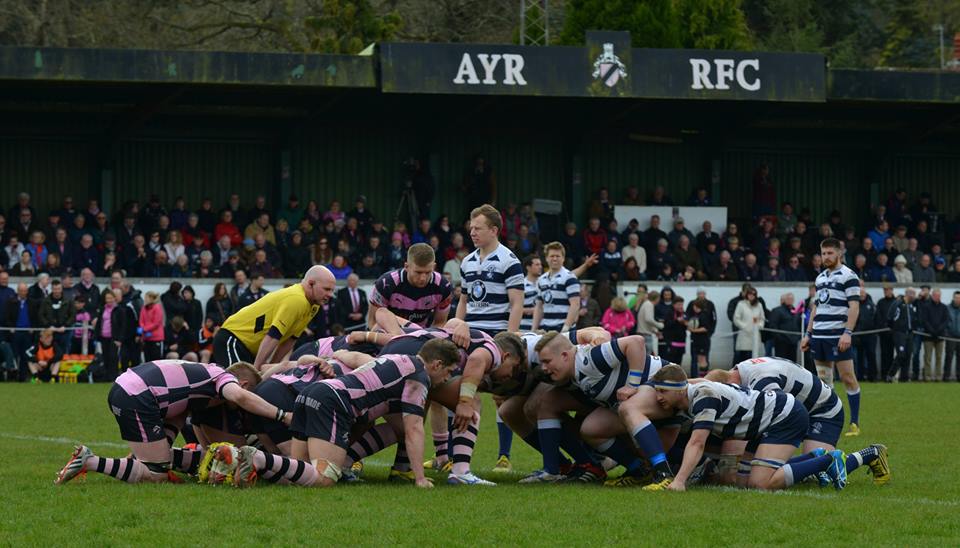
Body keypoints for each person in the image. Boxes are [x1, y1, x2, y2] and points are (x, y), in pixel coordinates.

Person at [54, 361, 291, 485]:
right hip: (138, 395)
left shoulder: (200, 382)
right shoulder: (223, 377)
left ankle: (131, 462)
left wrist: (161, 448)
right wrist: (283, 415)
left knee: (158, 463)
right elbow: (239, 396)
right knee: (156, 474)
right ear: (245, 384)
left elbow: (176, 417)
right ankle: (90, 461)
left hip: (127, 388)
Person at [650, 366, 844, 492]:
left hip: (785, 416)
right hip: (763, 424)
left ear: (680, 390)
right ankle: (814, 457)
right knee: (743, 483)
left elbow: (697, 443)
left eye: (663, 391)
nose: (658, 397)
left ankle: (829, 460)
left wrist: (679, 481)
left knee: (760, 484)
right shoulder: (692, 391)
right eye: (657, 391)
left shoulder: (704, 397)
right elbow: (690, 381)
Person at [707, 358, 890, 486]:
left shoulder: (762, 381)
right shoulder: (740, 371)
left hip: (824, 411)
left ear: (729, 384)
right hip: (797, 409)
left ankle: (870, 454)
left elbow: (777, 417)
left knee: (818, 475)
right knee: (764, 471)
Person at [216, 266, 336, 370]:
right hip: (233, 338)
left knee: (248, 383)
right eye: (326, 289)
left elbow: (291, 339)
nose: (330, 295)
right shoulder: (297, 299)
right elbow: (273, 336)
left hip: (248, 347)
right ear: (311, 284)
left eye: (332, 290)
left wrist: (270, 367)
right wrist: (257, 370)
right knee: (241, 382)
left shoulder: (314, 305)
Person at [801, 238, 862, 436]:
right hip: (819, 336)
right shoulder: (820, 278)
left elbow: (854, 306)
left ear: (839, 254)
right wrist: (808, 334)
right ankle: (830, 421)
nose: (825, 257)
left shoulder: (849, 276)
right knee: (824, 381)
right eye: (823, 253)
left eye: (829, 253)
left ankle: (854, 423)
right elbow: (816, 307)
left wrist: (847, 333)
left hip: (838, 336)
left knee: (847, 378)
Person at [457, 204, 523, 335]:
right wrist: (455, 329)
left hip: (496, 333)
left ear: (493, 231)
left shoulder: (510, 261)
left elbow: (517, 303)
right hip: (468, 334)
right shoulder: (466, 262)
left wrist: (509, 338)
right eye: (471, 228)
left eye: (477, 228)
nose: (472, 233)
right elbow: (463, 301)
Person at [368, 243, 453, 331]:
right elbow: (373, 323)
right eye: (418, 272)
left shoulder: (444, 287)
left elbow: (440, 324)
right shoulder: (385, 284)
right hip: (389, 332)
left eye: (428, 272)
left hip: (422, 334)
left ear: (434, 267)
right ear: (406, 267)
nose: (423, 278)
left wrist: (426, 337)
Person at [533, 242, 580, 333]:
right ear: (546, 258)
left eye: (558, 256)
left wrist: (566, 327)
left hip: (563, 329)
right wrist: (534, 329)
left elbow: (575, 304)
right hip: (545, 329)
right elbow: (539, 307)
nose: (554, 259)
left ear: (563, 258)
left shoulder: (570, 277)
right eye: (552, 256)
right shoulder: (541, 279)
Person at [919, 288, 949, 382]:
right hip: (928, 336)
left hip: (940, 336)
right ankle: (927, 377)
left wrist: (939, 330)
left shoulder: (944, 307)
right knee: (927, 358)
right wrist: (932, 331)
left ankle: (938, 377)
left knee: (939, 358)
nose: (937, 297)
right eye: (935, 295)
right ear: (932, 296)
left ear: (940, 296)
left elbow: (946, 320)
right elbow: (925, 320)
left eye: (938, 295)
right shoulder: (926, 307)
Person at [853, 281, 878, 382]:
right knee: (859, 356)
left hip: (870, 335)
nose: (862, 296)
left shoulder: (871, 304)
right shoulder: (854, 304)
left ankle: (873, 376)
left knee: (871, 355)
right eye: (860, 294)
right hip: (858, 335)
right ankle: (860, 376)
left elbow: (875, 319)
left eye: (863, 294)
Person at [733, 287, 765, 362]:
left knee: (754, 357)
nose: (751, 296)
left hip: (755, 334)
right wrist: (744, 326)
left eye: (753, 294)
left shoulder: (759, 305)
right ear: (747, 295)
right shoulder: (741, 304)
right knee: (743, 357)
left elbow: (762, 318)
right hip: (744, 334)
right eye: (750, 294)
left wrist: (759, 326)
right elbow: (736, 318)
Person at [768, 293, 801, 361]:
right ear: (784, 300)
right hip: (781, 343)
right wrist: (780, 338)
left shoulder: (796, 312)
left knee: (792, 363)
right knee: (781, 363)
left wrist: (797, 338)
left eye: (792, 299)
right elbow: (773, 326)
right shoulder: (777, 310)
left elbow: (799, 325)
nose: (790, 300)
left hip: (793, 343)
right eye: (788, 299)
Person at [139, 291, 165, 362]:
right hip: (146, 337)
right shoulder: (143, 308)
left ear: (151, 298)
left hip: (156, 338)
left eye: (146, 298)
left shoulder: (157, 308)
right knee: (147, 359)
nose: (145, 299)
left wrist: (145, 329)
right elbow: (141, 321)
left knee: (156, 359)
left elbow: (156, 323)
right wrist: (143, 328)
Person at [636, 291, 663, 355]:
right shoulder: (649, 305)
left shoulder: (646, 304)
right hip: (645, 335)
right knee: (647, 356)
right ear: (657, 298)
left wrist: (655, 331)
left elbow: (647, 322)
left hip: (642, 334)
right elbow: (648, 319)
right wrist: (659, 325)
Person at [520, 254, 542, 331]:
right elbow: (512, 308)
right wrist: (532, 310)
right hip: (525, 328)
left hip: (543, 327)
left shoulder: (545, 282)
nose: (540, 267)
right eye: (537, 265)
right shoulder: (521, 285)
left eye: (540, 264)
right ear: (528, 267)